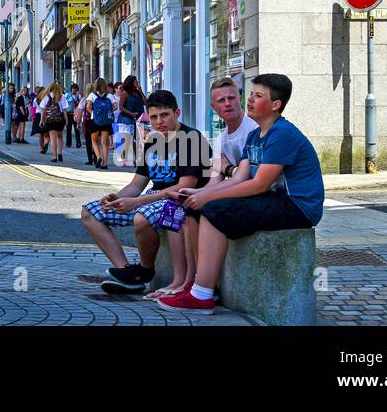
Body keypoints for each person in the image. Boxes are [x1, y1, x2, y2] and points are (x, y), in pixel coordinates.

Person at [158, 74, 324, 314]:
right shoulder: (256, 135)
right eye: (251, 94)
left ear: (275, 105)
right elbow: (238, 177)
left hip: (297, 206)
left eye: (258, 96)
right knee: (199, 207)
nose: (250, 100)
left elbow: (259, 185)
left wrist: (209, 198)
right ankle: (197, 285)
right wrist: (197, 193)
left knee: (214, 209)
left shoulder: (282, 133)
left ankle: (202, 294)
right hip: (276, 200)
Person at [78, 90, 209, 296]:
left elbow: (183, 187)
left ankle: (144, 271)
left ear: (177, 113)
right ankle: (126, 272)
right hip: (154, 195)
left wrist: (136, 203)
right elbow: (137, 184)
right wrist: (117, 197)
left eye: (165, 115)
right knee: (90, 212)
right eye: (154, 117)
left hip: (179, 199)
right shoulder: (152, 141)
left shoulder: (191, 139)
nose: (159, 122)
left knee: (142, 217)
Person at [149, 76, 256, 301]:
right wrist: (195, 193)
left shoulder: (253, 131)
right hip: (233, 189)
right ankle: (182, 279)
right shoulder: (220, 139)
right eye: (221, 100)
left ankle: (198, 282)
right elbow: (215, 179)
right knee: (177, 206)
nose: (227, 103)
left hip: (254, 193)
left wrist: (210, 190)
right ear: (213, 107)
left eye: (231, 98)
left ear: (240, 99)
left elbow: (243, 177)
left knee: (196, 210)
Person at [117, 77, 146, 166]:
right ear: (131, 83)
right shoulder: (125, 93)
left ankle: (136, 159)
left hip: (138, 118)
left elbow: (145, 102)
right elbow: (121, 107)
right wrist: (131, 113)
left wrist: (140, 91)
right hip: (127, 118)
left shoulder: (137, 92)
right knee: (127, 139)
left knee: (137, 140)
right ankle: (124, 156)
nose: (137, 83)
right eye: (135, 81)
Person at [88, 80, 116, 170]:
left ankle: (98, 156)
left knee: (94, 141)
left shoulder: (92, 95)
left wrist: (93, 113)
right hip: (106, 122)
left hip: (95, 121)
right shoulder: (110, 96)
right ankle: (104, 163)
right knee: (105, 143)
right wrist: (108, 112)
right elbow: (116, 106)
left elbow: (88, 106)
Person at [39, 82, 66, 162]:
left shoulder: (46, 96)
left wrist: (41, 120)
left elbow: (43, 110)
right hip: (59, 119)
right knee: (60, 137)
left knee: (53, 139)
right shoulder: (62, 96)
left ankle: (54, 157)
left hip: (50, 120)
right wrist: (67, 120)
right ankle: (60, 153)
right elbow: (64, 110)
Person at [64, 82, 82, 150]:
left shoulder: (78, 96)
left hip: (76, 114)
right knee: (68, 129)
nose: (74, 90)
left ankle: (78, 143)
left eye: (75, 89)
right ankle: (68, 143)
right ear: (71, 89)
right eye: (73, 88)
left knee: (77, 128)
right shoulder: (67, 95)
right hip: (69, 114)